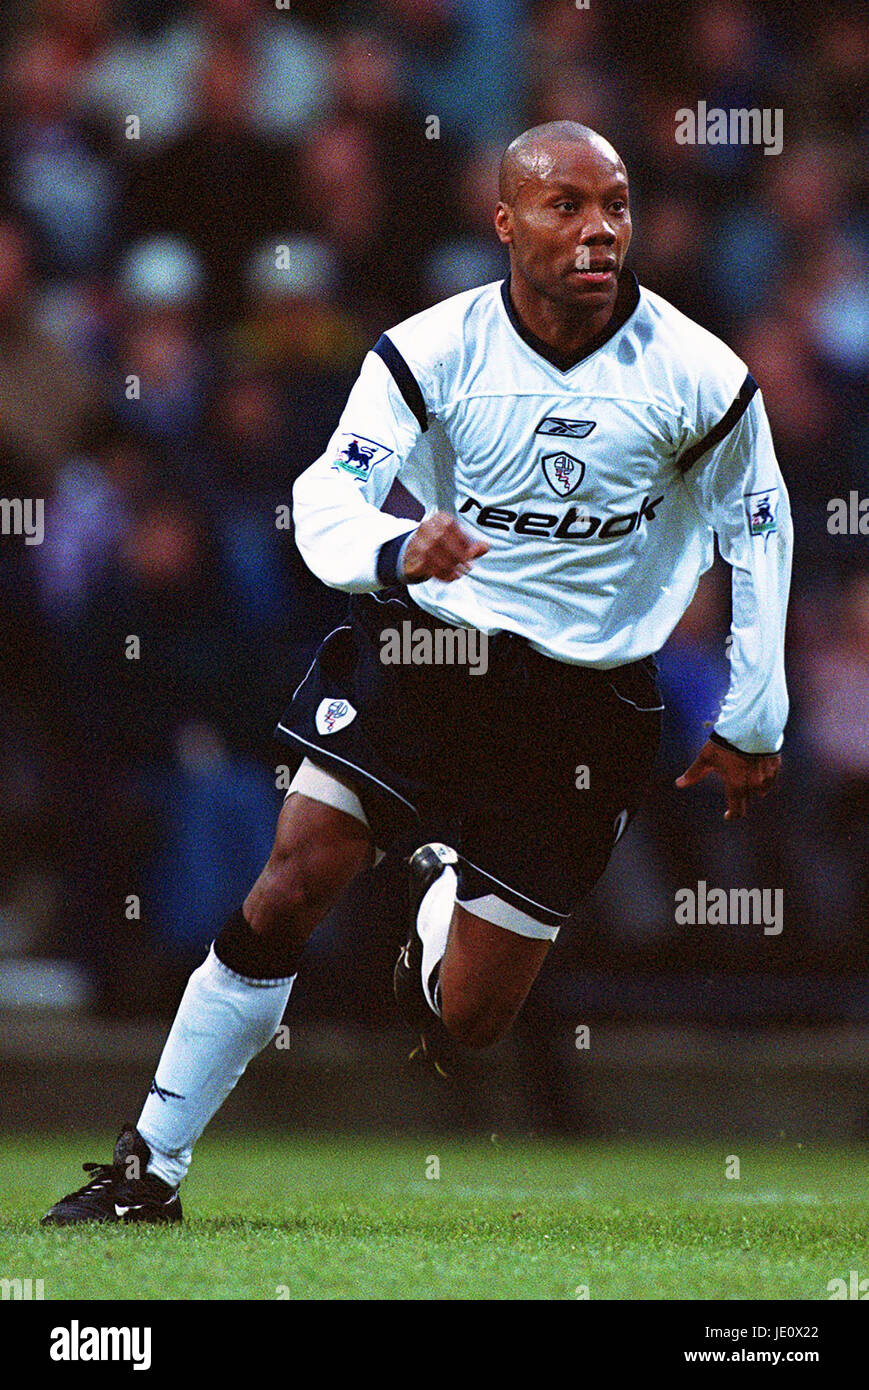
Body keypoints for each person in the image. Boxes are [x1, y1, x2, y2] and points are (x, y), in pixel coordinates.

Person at [43, 121, 792, 1224]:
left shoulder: (701, 377)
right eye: (565, 205)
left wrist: (755, 711)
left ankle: (442, 884)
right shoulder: (426, 350)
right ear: (503, 223)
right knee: (295, 877)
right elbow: (323, 497)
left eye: (616, 205)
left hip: (588, 704)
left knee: (470, 1017)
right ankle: (148, 1163)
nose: (598, 229)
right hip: (429, 653)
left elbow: (761, 527)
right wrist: (396, 550)